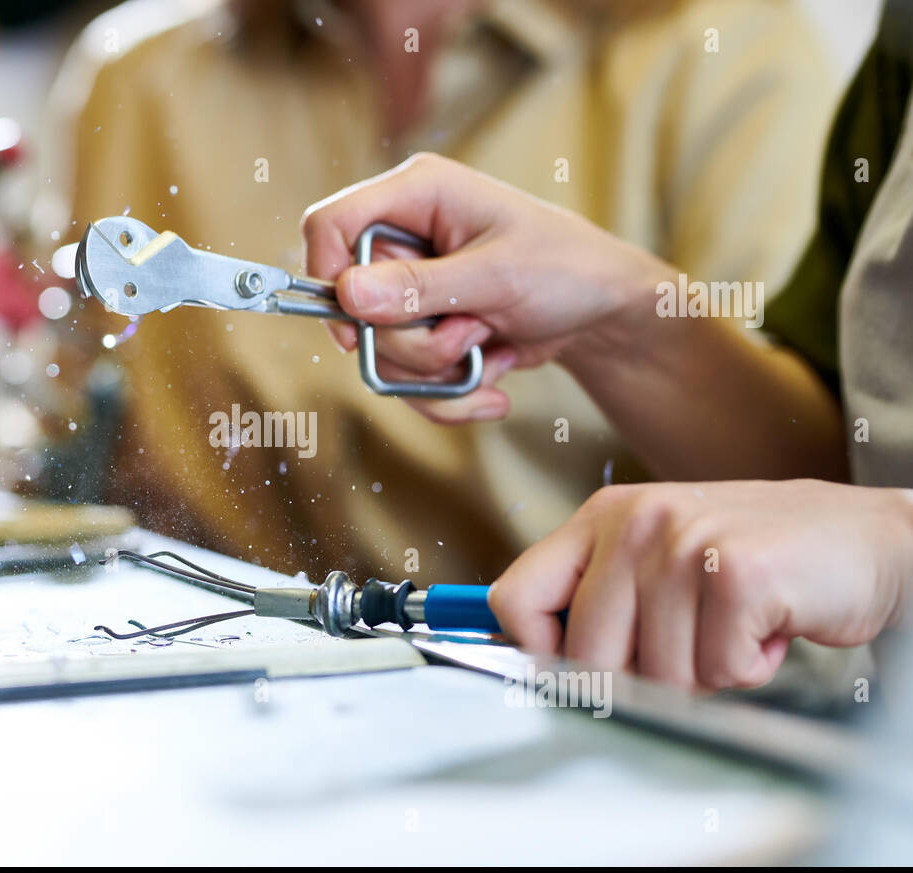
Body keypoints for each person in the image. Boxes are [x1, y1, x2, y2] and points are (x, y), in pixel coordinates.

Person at [40, 0, 834, 590]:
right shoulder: (135, 80)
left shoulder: (730, 55)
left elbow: (805, 513)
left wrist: (617, 324)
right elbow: (76, 459)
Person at [300, 0, 913, 691]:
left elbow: (849, 528)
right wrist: (612, 312)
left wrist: (896, 550)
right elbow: (836, 466)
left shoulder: (730, 51)